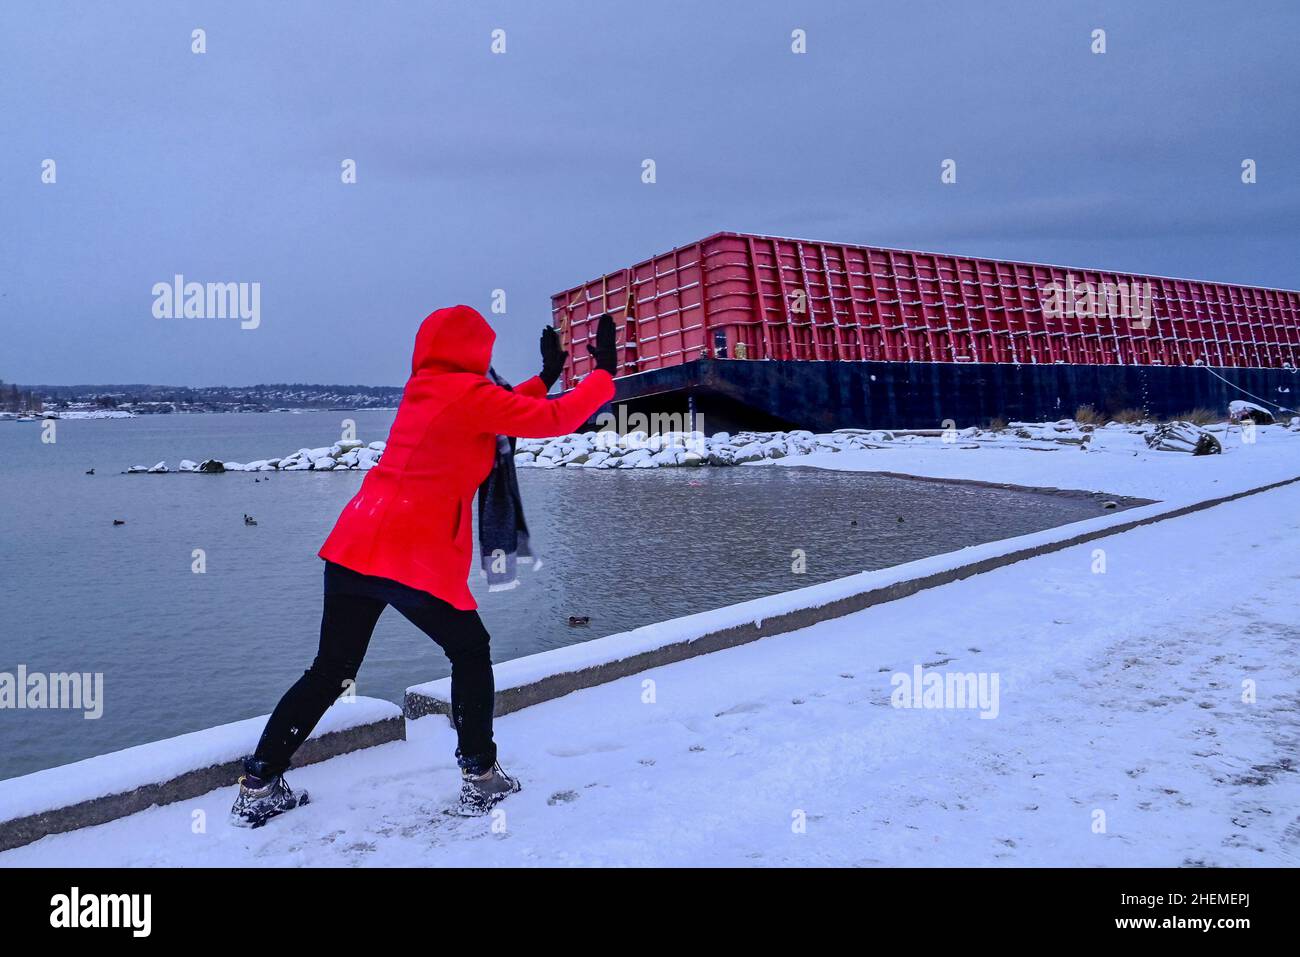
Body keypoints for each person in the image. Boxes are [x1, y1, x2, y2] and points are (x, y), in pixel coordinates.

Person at [231, 306, 617, 825]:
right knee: (470, 649)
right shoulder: (468, 395)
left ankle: (258, 785)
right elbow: (553, 420)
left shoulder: (427, 387)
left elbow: (500, 410)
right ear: (476, 350)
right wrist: (603, 373)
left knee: (330, 671)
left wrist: (546, 377)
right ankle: (481, 777)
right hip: (411, 552)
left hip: (354, 545)